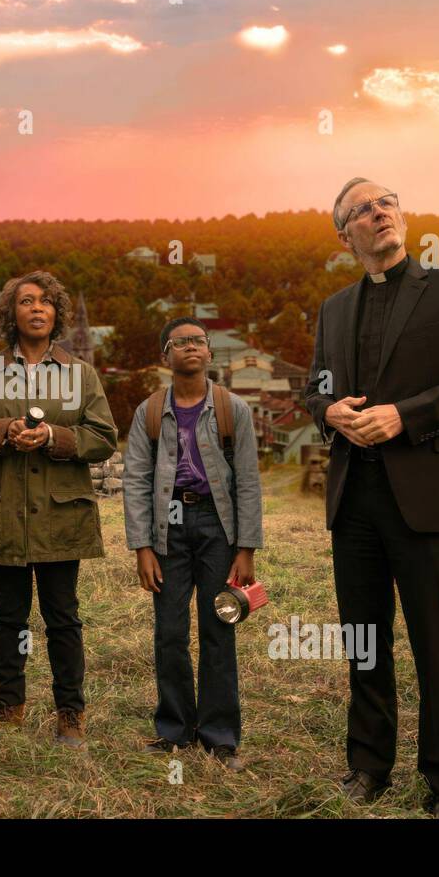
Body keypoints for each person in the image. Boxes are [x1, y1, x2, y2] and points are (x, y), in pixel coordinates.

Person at [303, 178, 439, 818]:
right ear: (347, 236)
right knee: (364, 638)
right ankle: (368, 767)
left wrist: (405, 416)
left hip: (423, 492)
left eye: (387, 201)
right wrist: (327, 409)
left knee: (435, 640)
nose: (380, 211)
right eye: (364, 209)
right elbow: (316, 387)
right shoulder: (334, 308)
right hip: (353, 497)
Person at [0, 271, 118, 749]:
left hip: (62, 514)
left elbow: (104, 438)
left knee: (63, 617)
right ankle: (8, 707)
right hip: (5, 512)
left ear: (57, 314)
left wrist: (54, 438)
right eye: (26, 301)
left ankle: (70, 713)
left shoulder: (81, 374)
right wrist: (1, 430)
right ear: (11, 313)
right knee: (9, 617)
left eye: (46, 302)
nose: (37, 308)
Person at [122, 317, 262, 772]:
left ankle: (221, 737)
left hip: (216, 525)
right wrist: (142, 546)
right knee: (169, 632)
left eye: (198, 341)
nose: (190, 348)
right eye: (179, 342)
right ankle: (175, 731)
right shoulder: (148, 412)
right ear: (165, 355)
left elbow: (248, 481)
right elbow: (137, 481)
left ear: (209, 352)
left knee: (218, 629)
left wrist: (246, 547)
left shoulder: (231, 409)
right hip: (168, 528)